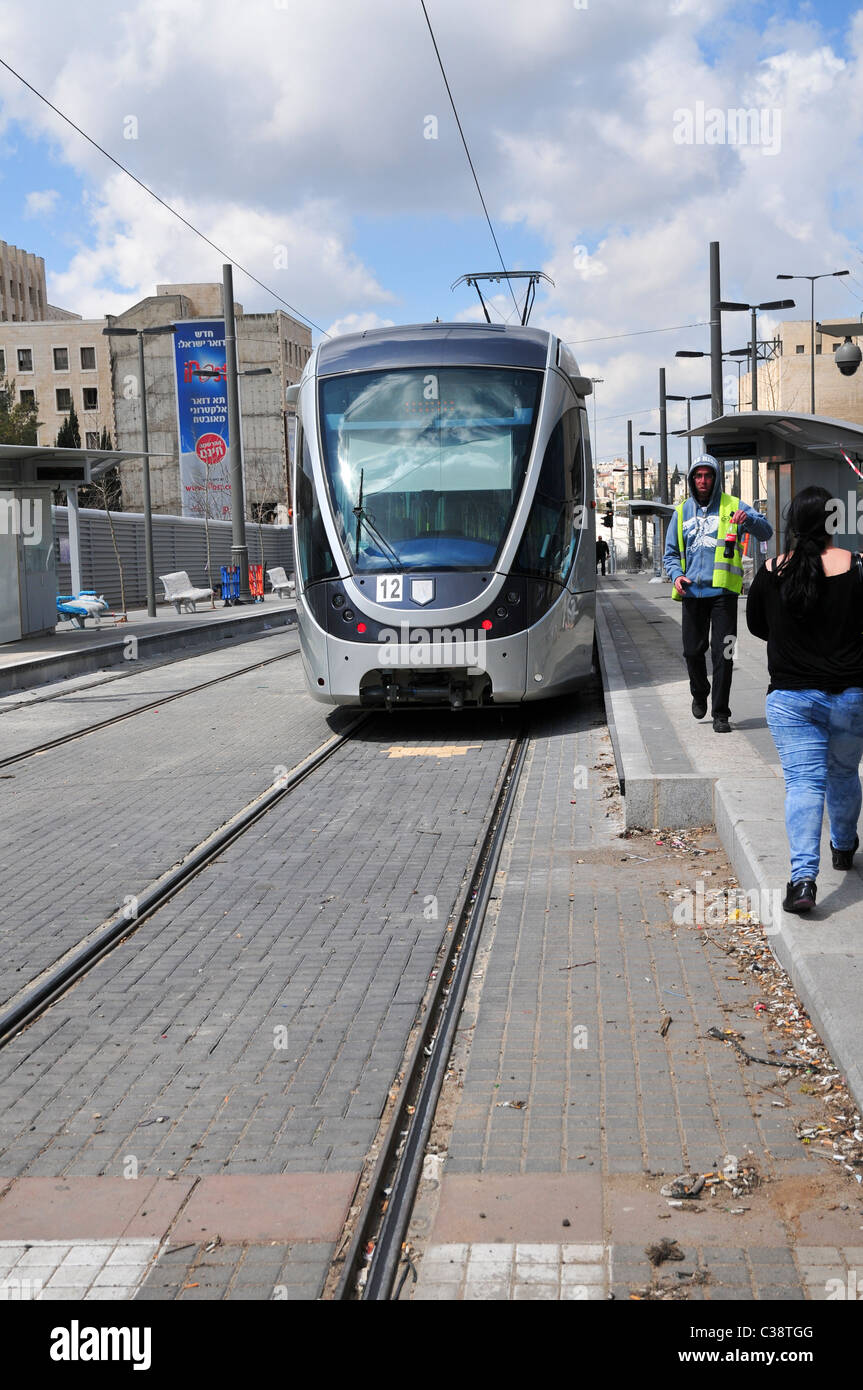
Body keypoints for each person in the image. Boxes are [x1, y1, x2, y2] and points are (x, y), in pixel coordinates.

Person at [746, 485, 863, 914]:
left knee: (804, 784)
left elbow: (758, 626)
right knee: (844, 773)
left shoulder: (771, 569)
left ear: (793, 525)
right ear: (833, 522)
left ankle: (802, 882)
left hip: (791, 700)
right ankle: (844, 846)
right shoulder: (856, 566)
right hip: (851, 696)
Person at [664, 454, 773, 732]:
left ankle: (720, 712)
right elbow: (670, 555)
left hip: (723, 594)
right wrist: (676, 575)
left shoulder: (733, 505)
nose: (702, 481)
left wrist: (748, 519)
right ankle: (700, 692)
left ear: (715, 478)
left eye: (707, 475)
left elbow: (766, 532)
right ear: (691, 480)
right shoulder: (680, 513)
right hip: (691, 593)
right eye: (698, 476)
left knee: (724, 653)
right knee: (692, 652)